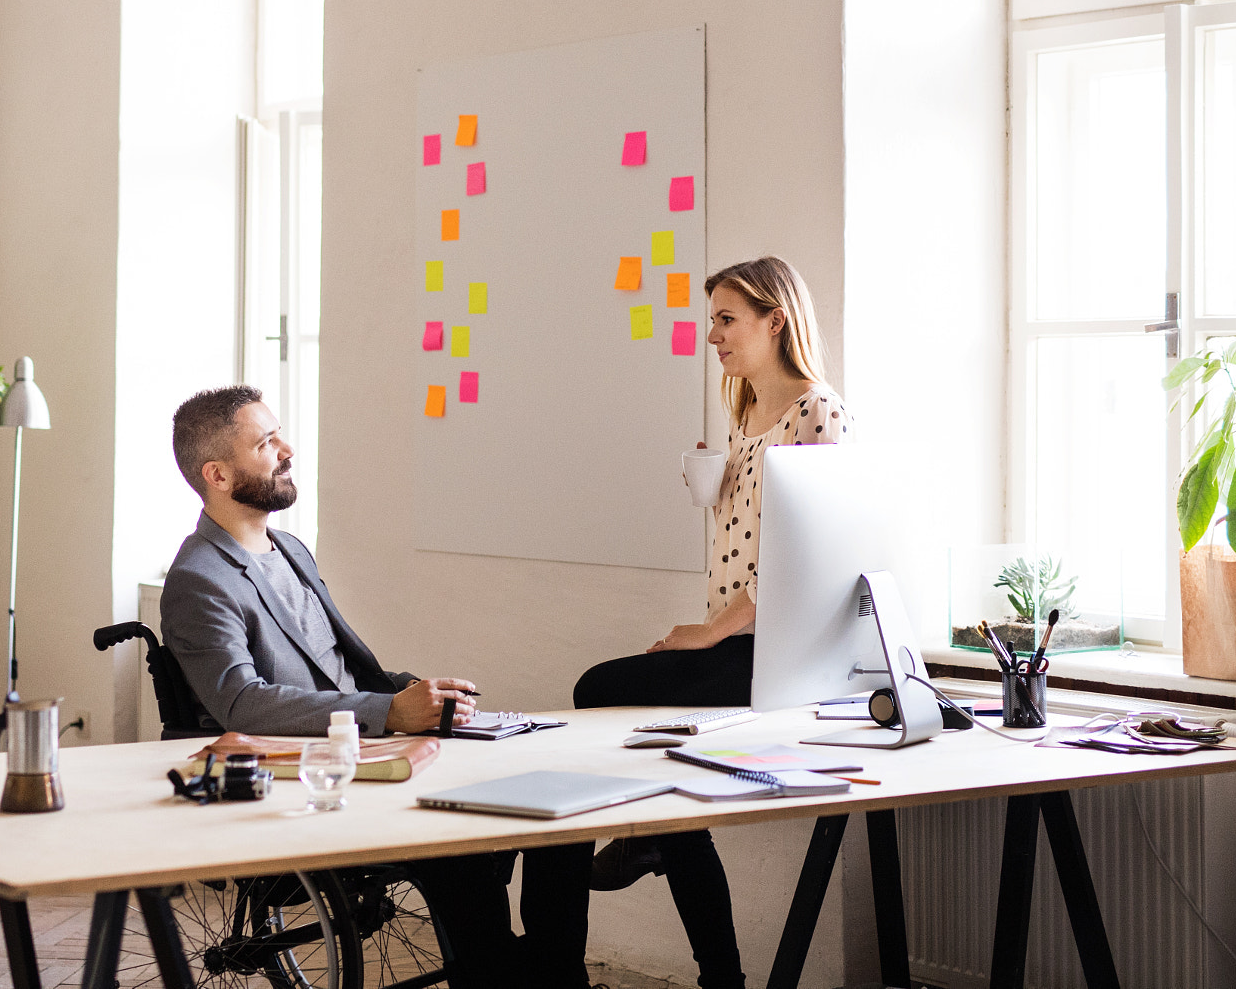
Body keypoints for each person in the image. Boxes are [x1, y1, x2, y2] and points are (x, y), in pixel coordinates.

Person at [538, 256, 849, 989]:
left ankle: (645, 883)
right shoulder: (744, 414)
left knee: (596, 690)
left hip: (778, 652)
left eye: (726, 318)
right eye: (711, 317)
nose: (711, 334)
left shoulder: (819, 412)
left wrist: (709, 632)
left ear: (777, 321)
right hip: (736, 635)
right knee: (672, 806)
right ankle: (718, 972)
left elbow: (814, 559)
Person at [159, 385, 521, 986]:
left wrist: (417, 696)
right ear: (217, 474)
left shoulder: (290, 549)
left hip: (370, 745)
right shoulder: (199, 579)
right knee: (462, 850)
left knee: (525, 811)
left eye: (279, 435)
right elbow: (241, 703)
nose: (287, 449)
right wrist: (388, 712)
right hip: (307, 772)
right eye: (265, 443)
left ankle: (532, 969)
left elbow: (343, 668)